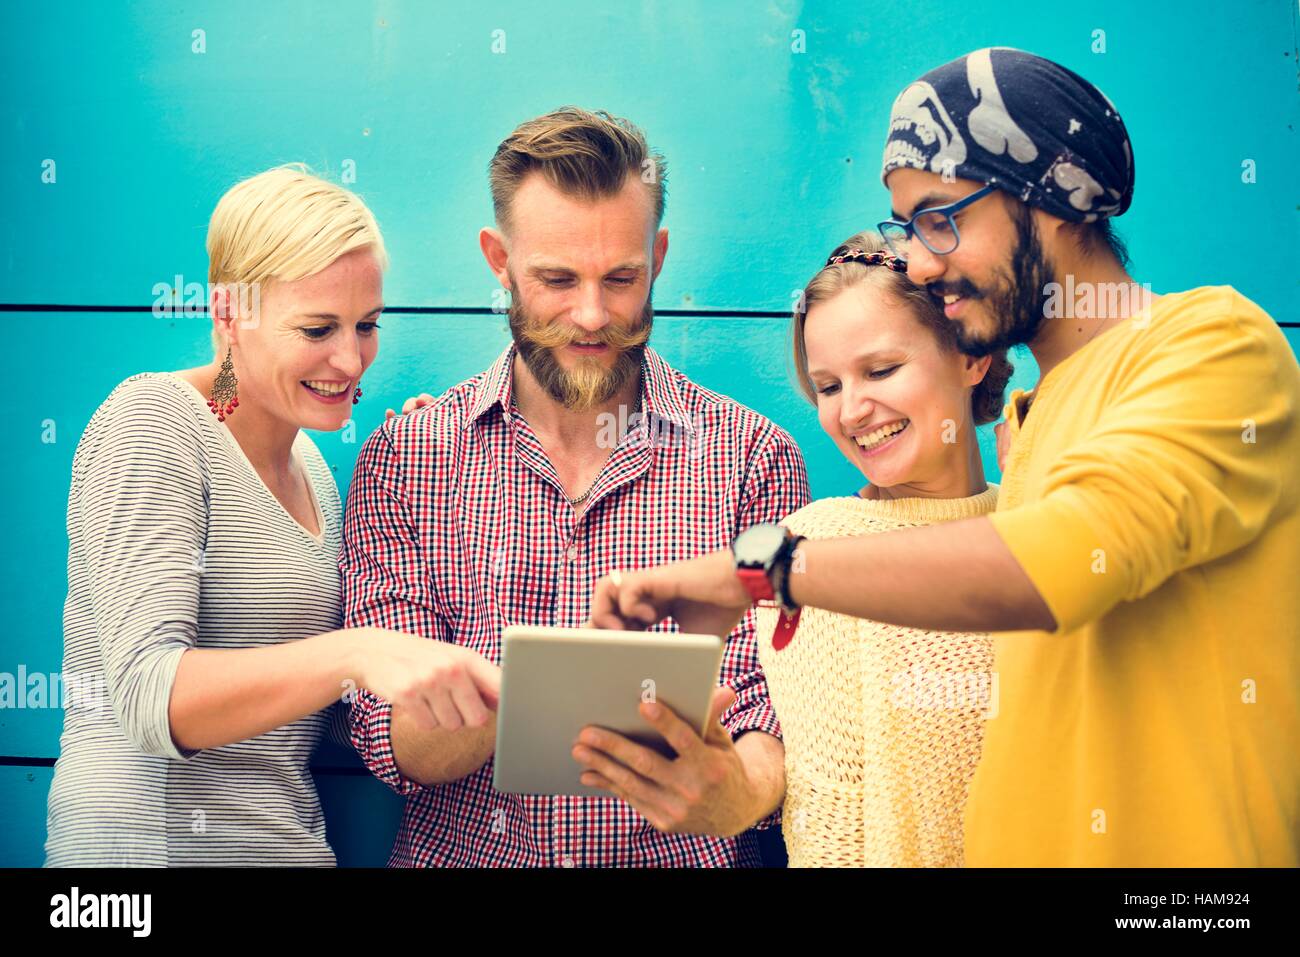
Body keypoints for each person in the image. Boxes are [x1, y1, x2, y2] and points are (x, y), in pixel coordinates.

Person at [589, 48, 1300, 867]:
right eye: (907, 227)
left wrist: (751, 571)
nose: (922, 260)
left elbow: (1061, 555)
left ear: (1058, 195)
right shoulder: (1031, 424)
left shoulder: (1213, 344)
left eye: (941, 215)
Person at [341, 107, 810, 867]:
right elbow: (392, 745)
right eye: (556, 279)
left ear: (657, 256)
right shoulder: (407, 457)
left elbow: (775, 712)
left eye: (621, 278)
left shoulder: (753, 459)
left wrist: (739, 793)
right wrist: (564, 677)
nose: (592, 315)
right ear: (499, 260)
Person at [45, 165, 497, 867]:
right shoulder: (154, 422)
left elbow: (311, 703)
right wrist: (356, 652)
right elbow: (150, 697)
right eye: (317, 327)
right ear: (229, 314)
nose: (350, 358)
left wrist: (440, 469)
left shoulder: (314, 472)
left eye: (366, 324)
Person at [744, 231, 1011, 867]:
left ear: (971, 356)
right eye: (829, 386)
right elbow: (831, 821)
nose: (853, 409)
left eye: (881, 370)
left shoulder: (1040, 524)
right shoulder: (810, 551)